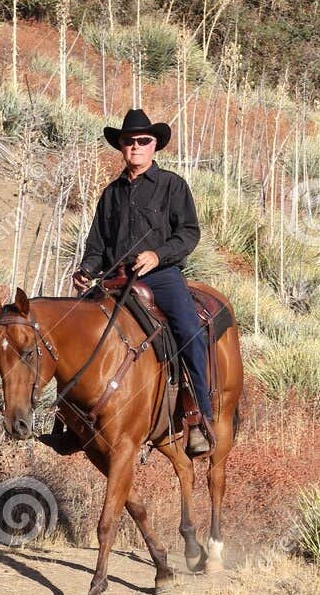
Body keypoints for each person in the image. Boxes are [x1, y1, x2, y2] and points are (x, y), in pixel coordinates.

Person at [73, 109, 214, 456]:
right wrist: (87, 269)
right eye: (128, 141)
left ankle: (200, 419)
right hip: (115, 277)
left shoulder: (172, 186)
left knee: (189, 332)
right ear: (121, 147)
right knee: (77, 326)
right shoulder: (111, 194)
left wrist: (158, 255)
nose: (135, 146)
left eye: (142, 141)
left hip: (160, 275)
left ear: (154, 146)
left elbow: (189, 233)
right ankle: (69, 422)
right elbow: (97, 243)